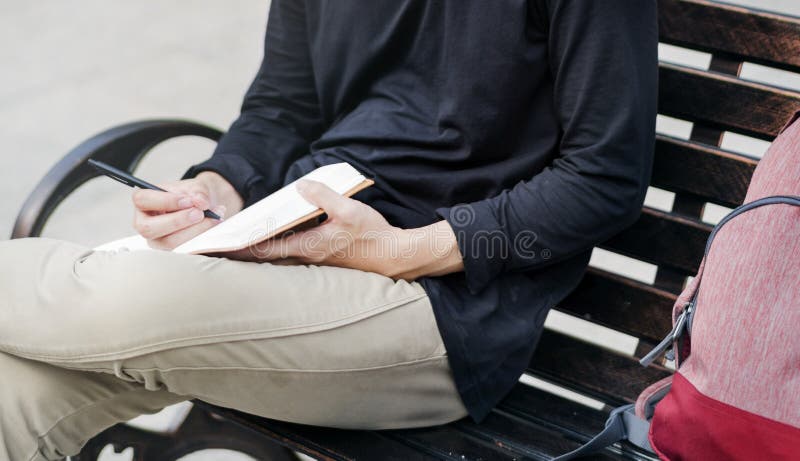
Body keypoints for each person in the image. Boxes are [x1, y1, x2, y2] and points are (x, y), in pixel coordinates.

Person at [0, 1, 657, 459]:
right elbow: (282, 106)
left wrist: (396, 251)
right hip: (285, 243)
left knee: (125, 294)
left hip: (439, 309)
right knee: (13, 394)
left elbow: (604, 178)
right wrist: (213, 189)